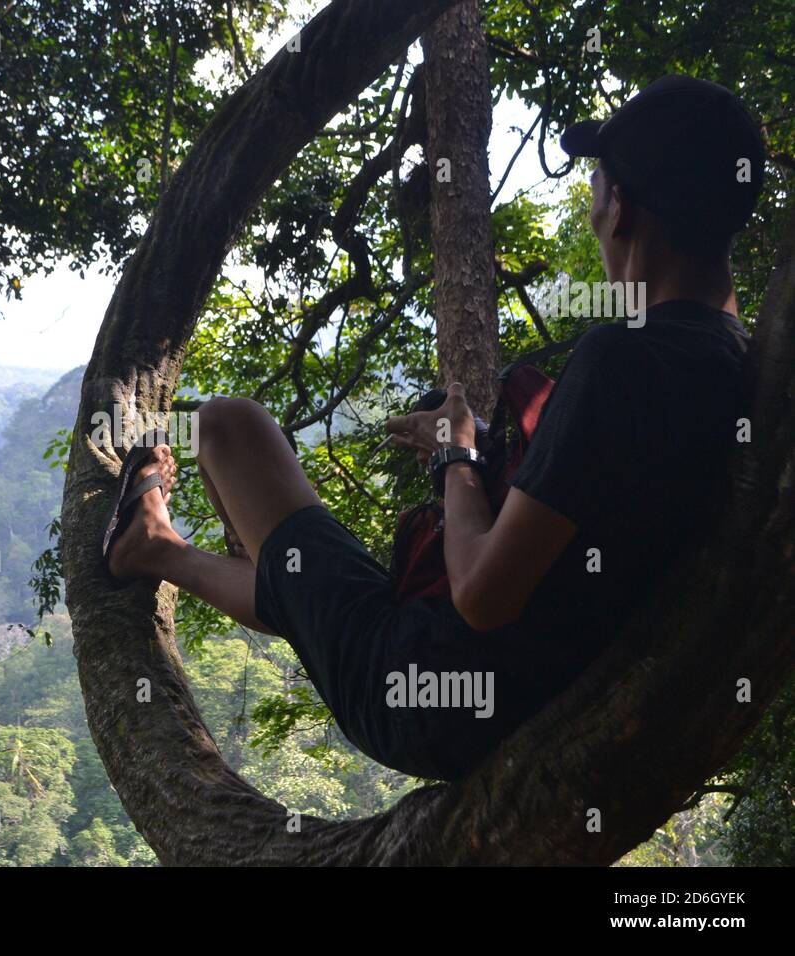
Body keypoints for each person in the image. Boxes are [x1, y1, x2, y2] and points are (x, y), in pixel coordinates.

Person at [104, 76, 764, 780]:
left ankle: (157, 551)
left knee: (229, 428)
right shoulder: (741, 363)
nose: (594, 206)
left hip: (426, 691)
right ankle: (179, 551)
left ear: (622, 209)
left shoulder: (623, 357)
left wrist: (456, 454)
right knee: (305, 578)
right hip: (537, 690)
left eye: (597, 186)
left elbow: (481, 595)